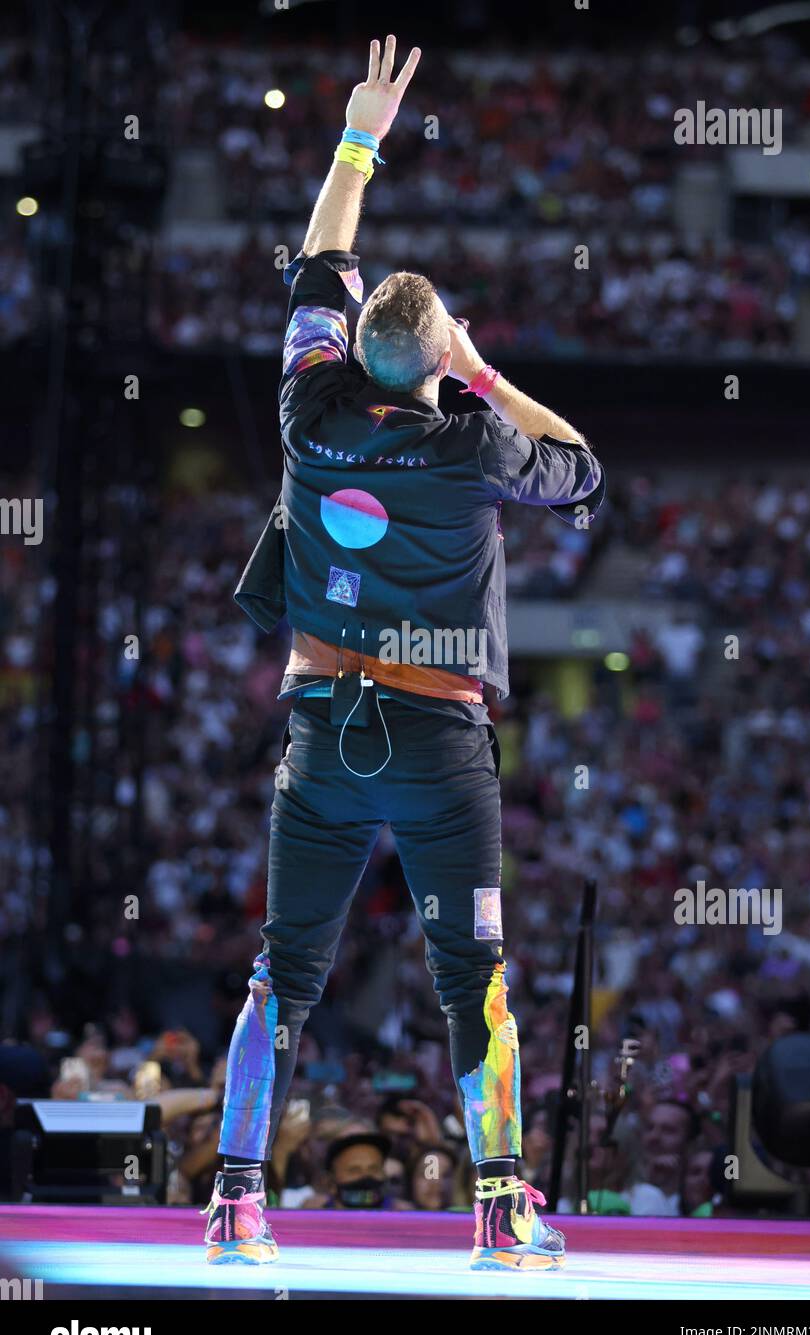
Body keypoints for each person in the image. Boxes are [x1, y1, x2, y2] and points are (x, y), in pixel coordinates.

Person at [202, 35, 604, 1271]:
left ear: (349, 355)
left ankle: (232, 1208)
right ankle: (497, 1211)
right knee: (469, 974)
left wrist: (358, 138)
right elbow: (581, 466)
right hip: (437, 748)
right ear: (436, 367)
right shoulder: (473, 445)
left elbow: (324, 258)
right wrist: (477, 367)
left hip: (321, 735)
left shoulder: (304, 407)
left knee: (283, 975)